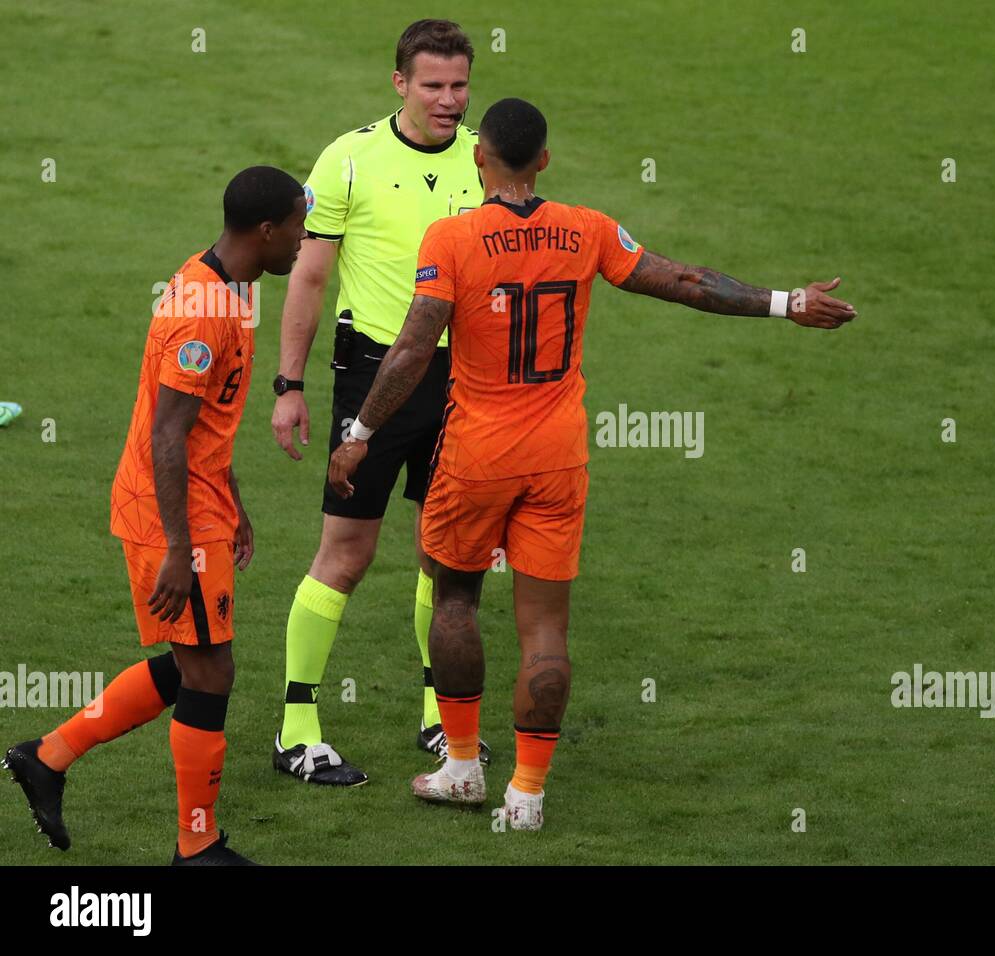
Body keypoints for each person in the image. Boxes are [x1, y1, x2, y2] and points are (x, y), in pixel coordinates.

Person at [328, 98, 855, 830]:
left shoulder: (451, 238)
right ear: (544, 159)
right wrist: (786, 301)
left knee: (454, 599)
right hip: (558, 456)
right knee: (546, 629)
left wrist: (358, 431)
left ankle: (460, 766)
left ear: (480, 158)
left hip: (477, 455)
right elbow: (687, 282)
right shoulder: (587, 230)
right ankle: (528, 795)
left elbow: (415, 348)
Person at [4, 166, 307, 864]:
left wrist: (235, 503)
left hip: (200, 507)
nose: (303, 239)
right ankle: (196, 847)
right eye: (295, 226)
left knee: (195, 662)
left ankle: (47, 757)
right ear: (264, 231)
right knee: (210, 672)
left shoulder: (229, 287)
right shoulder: (203, 311)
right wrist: (180, 546)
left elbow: (207, 423)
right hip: (173, 518)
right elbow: (167, 436)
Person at [270, 18, 488, 787]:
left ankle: (442, 719)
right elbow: (307, 276)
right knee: (347, 555)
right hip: (371, 376)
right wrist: (290, 386)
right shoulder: (349, 158)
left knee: (446, 554)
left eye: (459, 84)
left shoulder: (484, 161)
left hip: (464, 382)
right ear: (399, 83)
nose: (449, 100)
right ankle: (296, 728)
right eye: (432, 85)